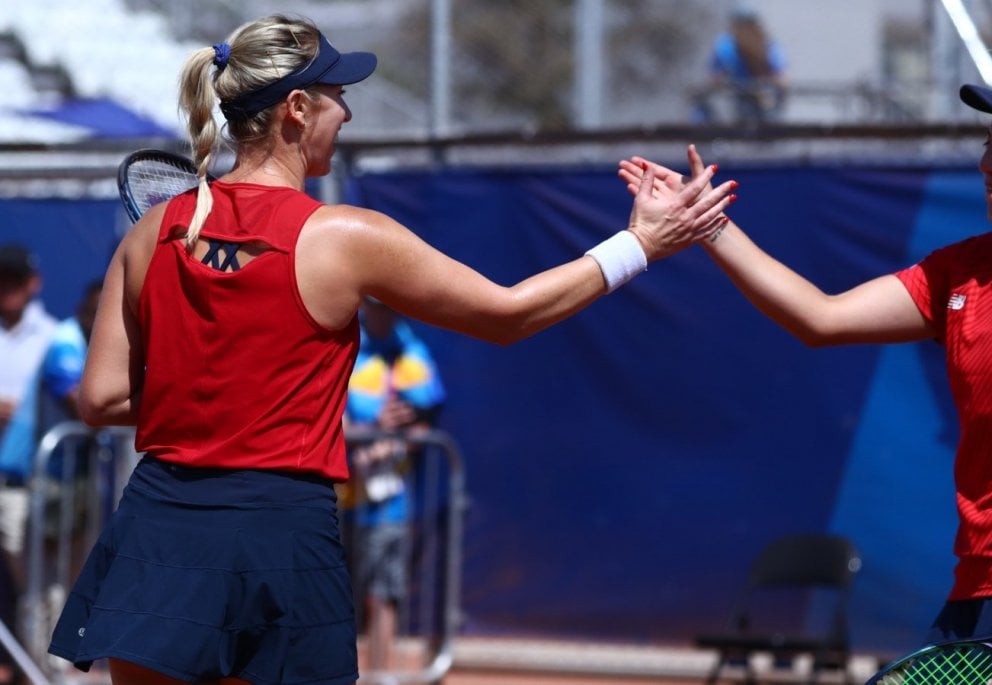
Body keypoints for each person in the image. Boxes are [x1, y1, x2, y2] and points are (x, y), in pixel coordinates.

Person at [47, 13, 734, 685]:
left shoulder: (151, 234)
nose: (345, 113)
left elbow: (101, 398)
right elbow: (508, 313)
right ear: (296, 108)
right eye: (338, 96)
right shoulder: (345, 236)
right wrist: (639, 244)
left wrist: (213, 395)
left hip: (157, 533)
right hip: (278, 538)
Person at [623, 74, 992, 682]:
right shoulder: (965, 270)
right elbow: (820, 317)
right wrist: (708, 223)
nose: (987, 163)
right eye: (988, 142)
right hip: (982, 591)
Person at [342, 299, 447, 679]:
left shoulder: (413, 356)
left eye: (391, 305)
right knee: (332, 597)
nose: (384, 312)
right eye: (375, 305)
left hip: (388, 506)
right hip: (335, 499)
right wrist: (372, 433)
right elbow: (328, 422)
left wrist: (394, 441)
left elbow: (424, 424)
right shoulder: (343, 344)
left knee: (381, 595)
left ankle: (379, 676)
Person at [0, 242, 58, 685]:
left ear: (32, 284)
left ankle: (37, 670)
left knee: (34, 586)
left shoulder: (53, 337)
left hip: (27, 482)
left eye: (14, 280)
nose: (6, 289)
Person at [691, 6, 787, 126]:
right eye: (742, 26)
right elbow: (714, 77)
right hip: (735, 103)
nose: (746, 32)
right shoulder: (726, 46)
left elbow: (781, 78)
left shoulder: (768, 46)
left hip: (762, 103)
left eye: (749, 25)